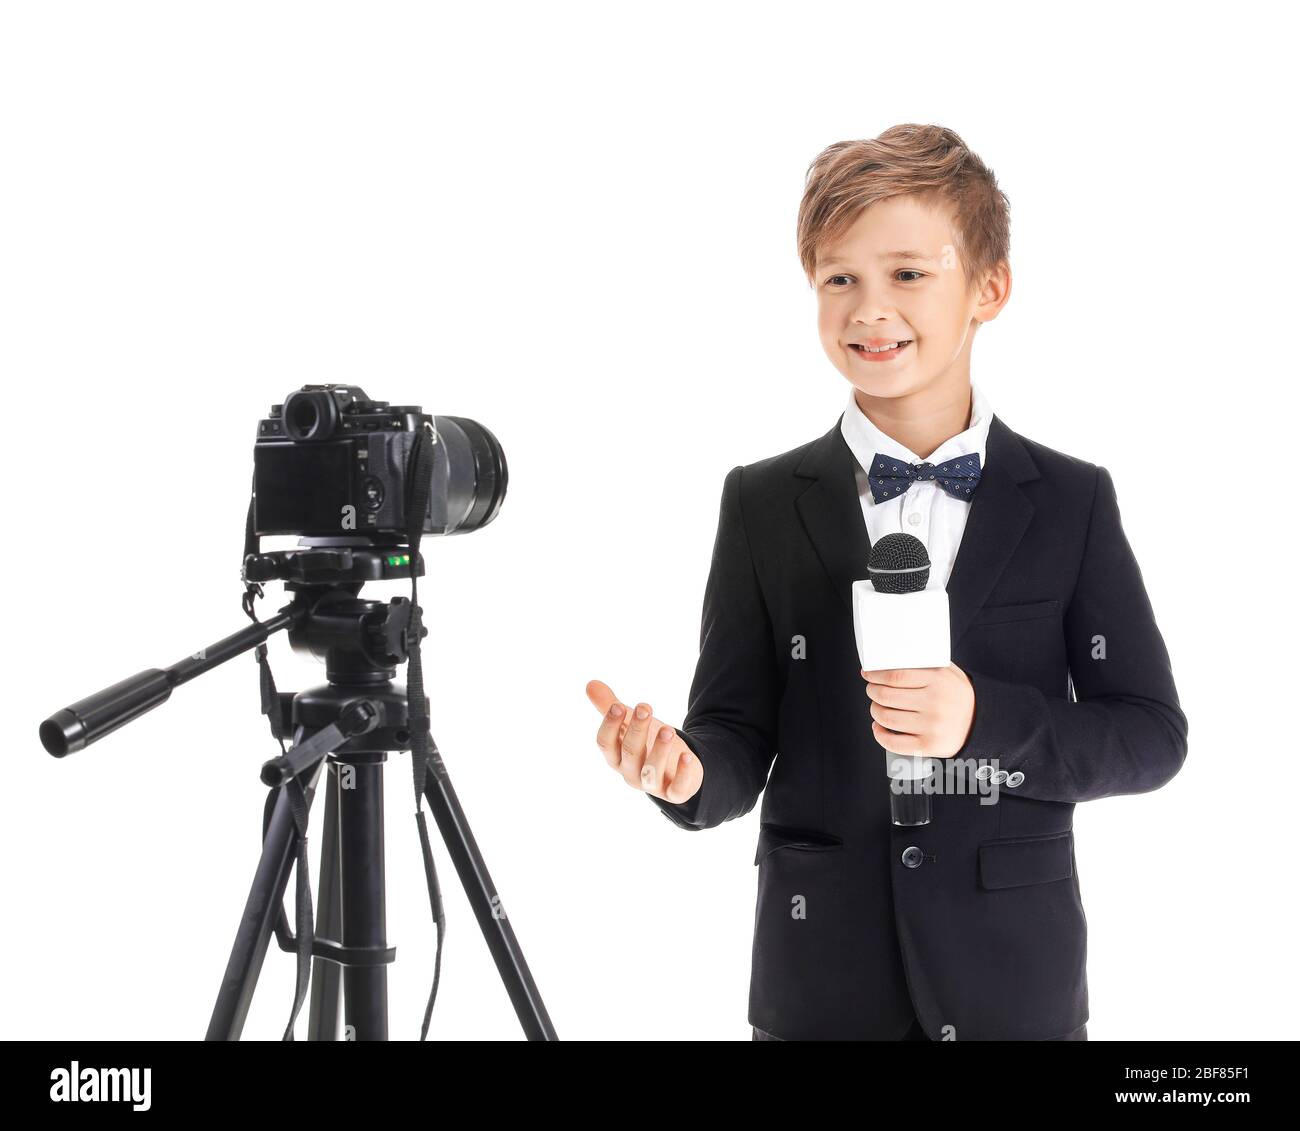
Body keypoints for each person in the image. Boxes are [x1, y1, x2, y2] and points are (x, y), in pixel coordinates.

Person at [586, 124, 1187, 1041]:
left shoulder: (1073, 500)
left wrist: (981, 718)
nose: (870, 309)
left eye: (908, 274)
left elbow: (1149, 733)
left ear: (990, 287)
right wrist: (687, 770)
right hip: (821, 990)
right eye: (840, 278)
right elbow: (739, 726)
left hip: (1012, 990)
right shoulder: (759, 501)